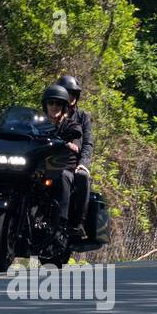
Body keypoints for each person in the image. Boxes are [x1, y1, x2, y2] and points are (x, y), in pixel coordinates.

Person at [40, 82, 83, 241]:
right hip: (40, 166)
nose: (54, 106)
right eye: (51, 102)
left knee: (64, 176)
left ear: (64, 107)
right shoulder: (38, 124)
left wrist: (69, 143)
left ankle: (61, 224)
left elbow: (78, 133)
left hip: (62, 165)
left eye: (58, 103)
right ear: (45, 105)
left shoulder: (70, 124)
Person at [56, 75, 93, 238]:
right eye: (66, 93)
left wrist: (83, 163)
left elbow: (86, 143)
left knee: (82, 177)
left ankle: (77, 224)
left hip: (72, 163)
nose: (69, 97)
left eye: (73, 94)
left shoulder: (82, 117)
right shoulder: (52, 110)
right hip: (47, 160)